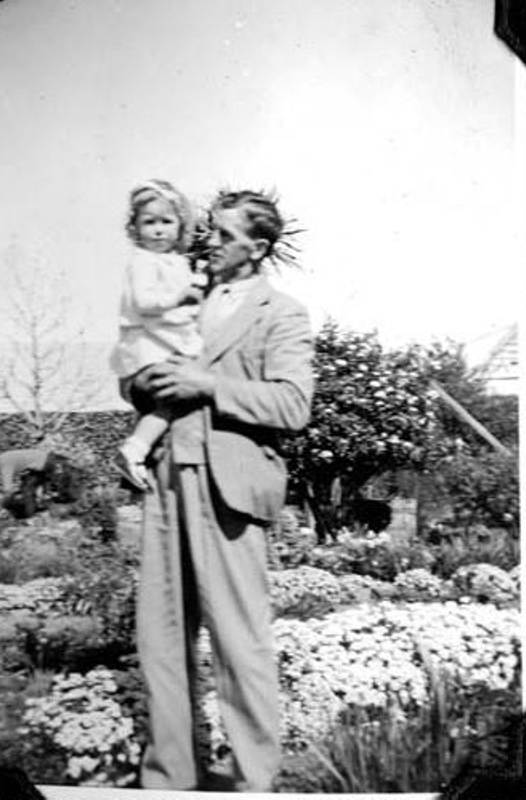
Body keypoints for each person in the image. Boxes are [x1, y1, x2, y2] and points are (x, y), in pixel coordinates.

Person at [133, 189, 314, 791]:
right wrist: (141, 379)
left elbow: (293, 404)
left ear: (257, 248)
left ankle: (251, 781)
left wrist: (206, 385)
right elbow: (141, 378)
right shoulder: (180, 300)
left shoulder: (279, 312)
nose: (208, 240)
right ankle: (169, 778)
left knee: (241, 646)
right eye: (208, 229)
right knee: (159, 640)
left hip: (229, 489)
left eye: (225, 234)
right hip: (164, 483)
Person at [109, 179, 206, 489]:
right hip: (145, 349)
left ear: (180, 226)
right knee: (175, 397)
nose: (158, 230)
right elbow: (145, 303)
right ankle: (133, 450)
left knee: (164, 405)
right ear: (135, 228)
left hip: (162, 344)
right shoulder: (142, 262)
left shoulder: (176, 262)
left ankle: (138, 453)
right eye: (149, 222)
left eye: (166, 221)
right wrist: (181, 298)